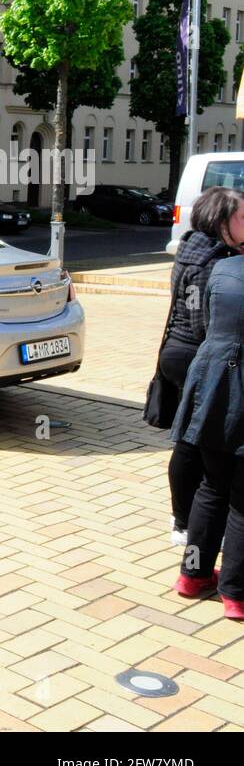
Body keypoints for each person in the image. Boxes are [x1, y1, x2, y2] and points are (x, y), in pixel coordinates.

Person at [169, 200, 244, 620]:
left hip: (212, 386)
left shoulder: (222, 269)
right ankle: (235, 592)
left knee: (213, 487)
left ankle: (193, 574)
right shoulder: (223, 266)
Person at [159, 188, 241, 545]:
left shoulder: (192, 245)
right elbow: (205, 325)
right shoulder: (215, 262)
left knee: (190, 442)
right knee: (198, 445)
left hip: (177, 353)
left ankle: (185, 520)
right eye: (241, 217)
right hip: (196, 356)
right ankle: (188, 523)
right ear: (221, 222)